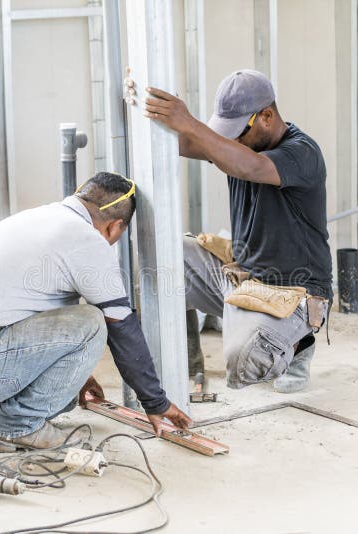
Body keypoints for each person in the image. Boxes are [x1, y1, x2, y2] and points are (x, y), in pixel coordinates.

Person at [0, 172, 191, 452]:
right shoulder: (85, 238)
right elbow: (121, 327)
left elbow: (29, 316)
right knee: (93, 322)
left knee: (65, 397)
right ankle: (16, 427)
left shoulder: (38, 219)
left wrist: (76, 375)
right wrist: (155, 402)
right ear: (115, 227)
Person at [145, 69, 332, 393]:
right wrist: (141, 112)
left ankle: (299, 343)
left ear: (267, 116)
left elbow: (251, 166)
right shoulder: (239, 146)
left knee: (242, 360)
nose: (229, 140)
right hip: (241, 275)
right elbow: (190, 143)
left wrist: (189, 122)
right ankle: (223, 336)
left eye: (236, 133)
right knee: (161, 258)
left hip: (291, 291)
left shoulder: (303, 153)